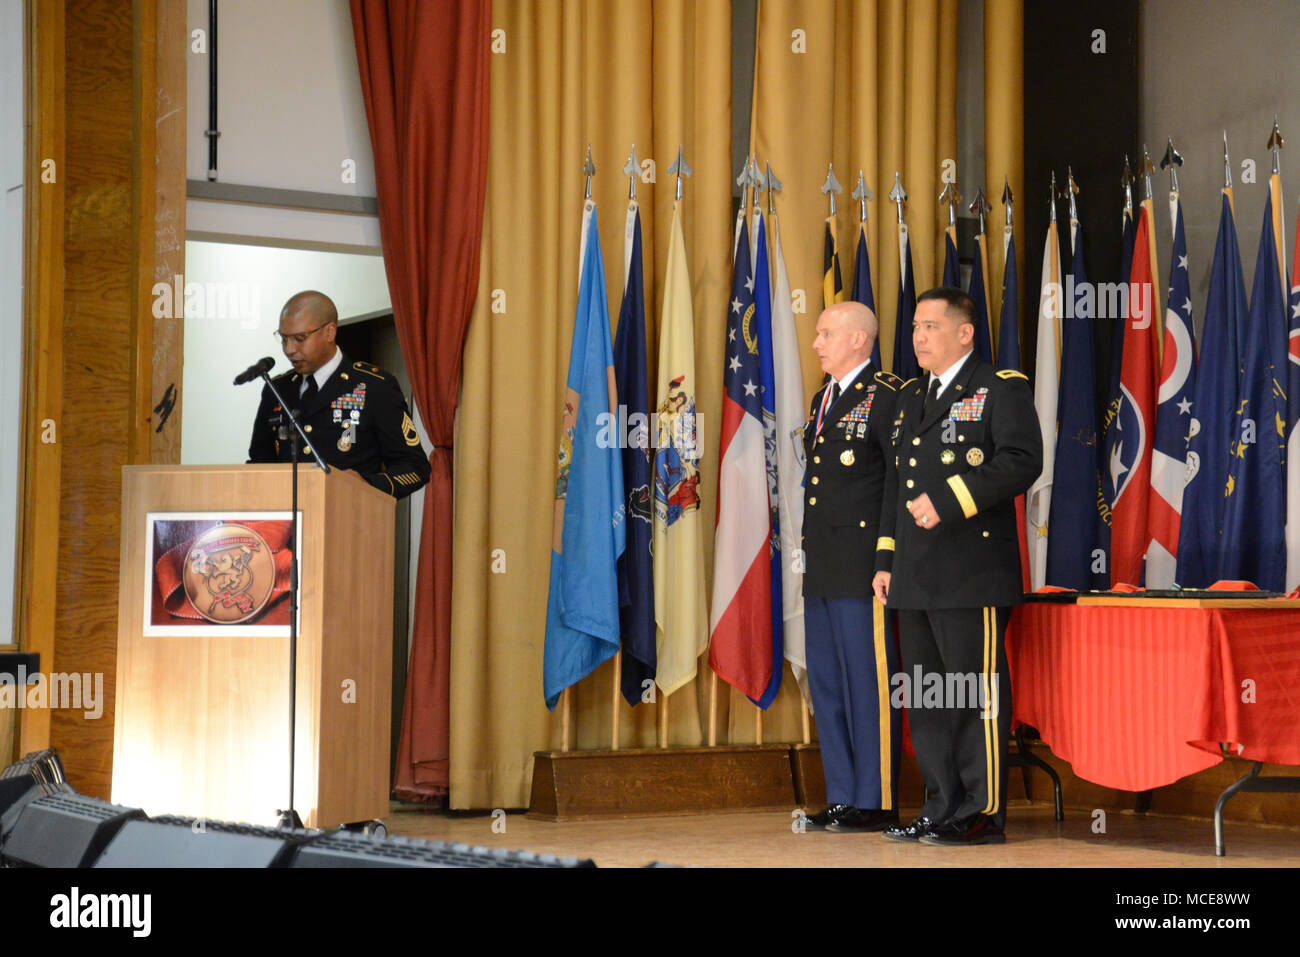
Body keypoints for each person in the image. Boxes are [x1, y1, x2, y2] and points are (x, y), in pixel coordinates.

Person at [872, 287, 1041, 845]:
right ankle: (940, 805)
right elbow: (898, 486)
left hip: (970, 570)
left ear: (964, 333)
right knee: (925, 696)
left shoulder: (999, 389)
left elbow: (1021, 462)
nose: (918, 337)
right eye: (916, 327)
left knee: (972, 693)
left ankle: (980, 810)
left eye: (930, 327)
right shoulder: (911, 397)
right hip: (916, 573)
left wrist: (949, 500)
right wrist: (886, 559)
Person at [800, 301, 904, 833]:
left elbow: (894, 485)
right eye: (817, 334)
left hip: (863, 566)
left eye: (826, 334)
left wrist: (885, 557)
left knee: (868, 683)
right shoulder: (825, 398)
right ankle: (842, 793)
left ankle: (875, 797)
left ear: (860, 340)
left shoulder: (887, 397)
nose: (817, 343)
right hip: (822, 562)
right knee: (829, 684)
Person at [247, 290, 430, 499]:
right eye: (284, 339)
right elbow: (259, 464)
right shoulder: (278, 389)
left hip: (349, 521)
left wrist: (366, 485)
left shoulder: (374, 386)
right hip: (288, 525)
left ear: (329, 332)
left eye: (299, 338)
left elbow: (415, 467)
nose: (289, 349)